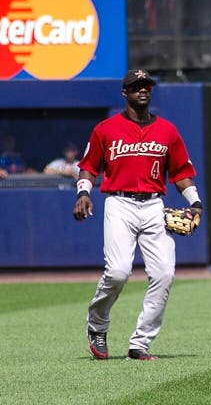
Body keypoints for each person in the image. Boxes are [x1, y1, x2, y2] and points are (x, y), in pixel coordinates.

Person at [73, 69, 203, 361]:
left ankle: (140, 343)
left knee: (164, 274)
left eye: (146, 86)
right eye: (136, 86)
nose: (142, 90)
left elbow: (182, 172)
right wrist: (83, 193)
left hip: (155, 206)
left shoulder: (167, 131)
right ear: (125, 93)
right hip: (119, 204)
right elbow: (89, 166)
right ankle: (97, 323)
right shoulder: (105, 129)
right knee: (118, 272)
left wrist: (196, 203)